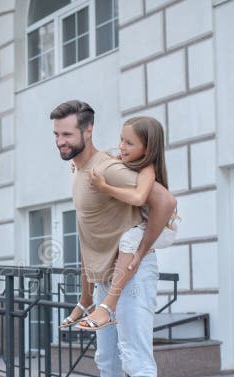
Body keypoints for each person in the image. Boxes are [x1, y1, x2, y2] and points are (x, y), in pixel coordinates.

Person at [51, 100, 176, 377]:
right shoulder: (79, 170)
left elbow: (164, 201)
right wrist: (86, 294)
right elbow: (89, 235)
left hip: (132, 276)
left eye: (67, 134)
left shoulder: (107, 168)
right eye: (56, 134)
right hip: (105, 278)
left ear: (87, 130)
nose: (60, 141)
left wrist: (141, 251)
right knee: (107, 360)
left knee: (137, 360)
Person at [75, 116, 178, 331]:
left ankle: (107, 306)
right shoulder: (125, 164)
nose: (122, 146)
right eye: (121, 139)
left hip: (161, 230)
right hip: (145, 223)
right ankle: (89, 302)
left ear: (147, 149)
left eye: (129, 143)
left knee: (128, 238)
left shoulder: (147, 169)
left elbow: (139, 198)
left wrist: (104, 188)